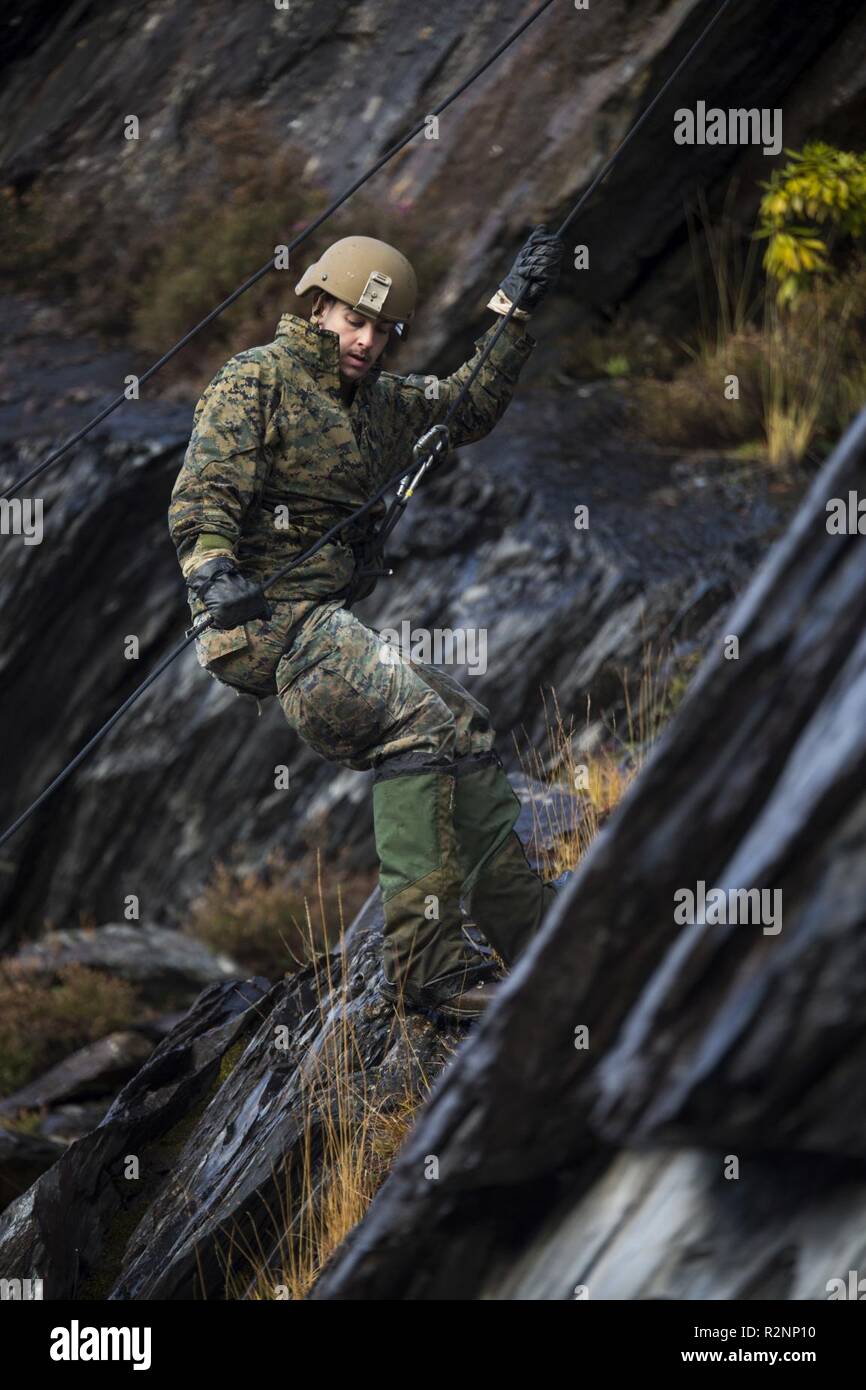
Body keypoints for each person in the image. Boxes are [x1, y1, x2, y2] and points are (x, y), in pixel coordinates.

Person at [168, 227, 563, 1020]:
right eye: (355, 321)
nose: (367, 340)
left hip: (320, 623)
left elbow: (462, 406)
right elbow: (203, 493)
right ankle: (430, 970)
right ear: (317, 306)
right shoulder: (257, 381)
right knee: (417, 722)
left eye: (382, 331)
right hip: (264, 627)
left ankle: (539, 938)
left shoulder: (379, 404)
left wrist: (511, 310)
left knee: (461, 725)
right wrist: (215, 571)